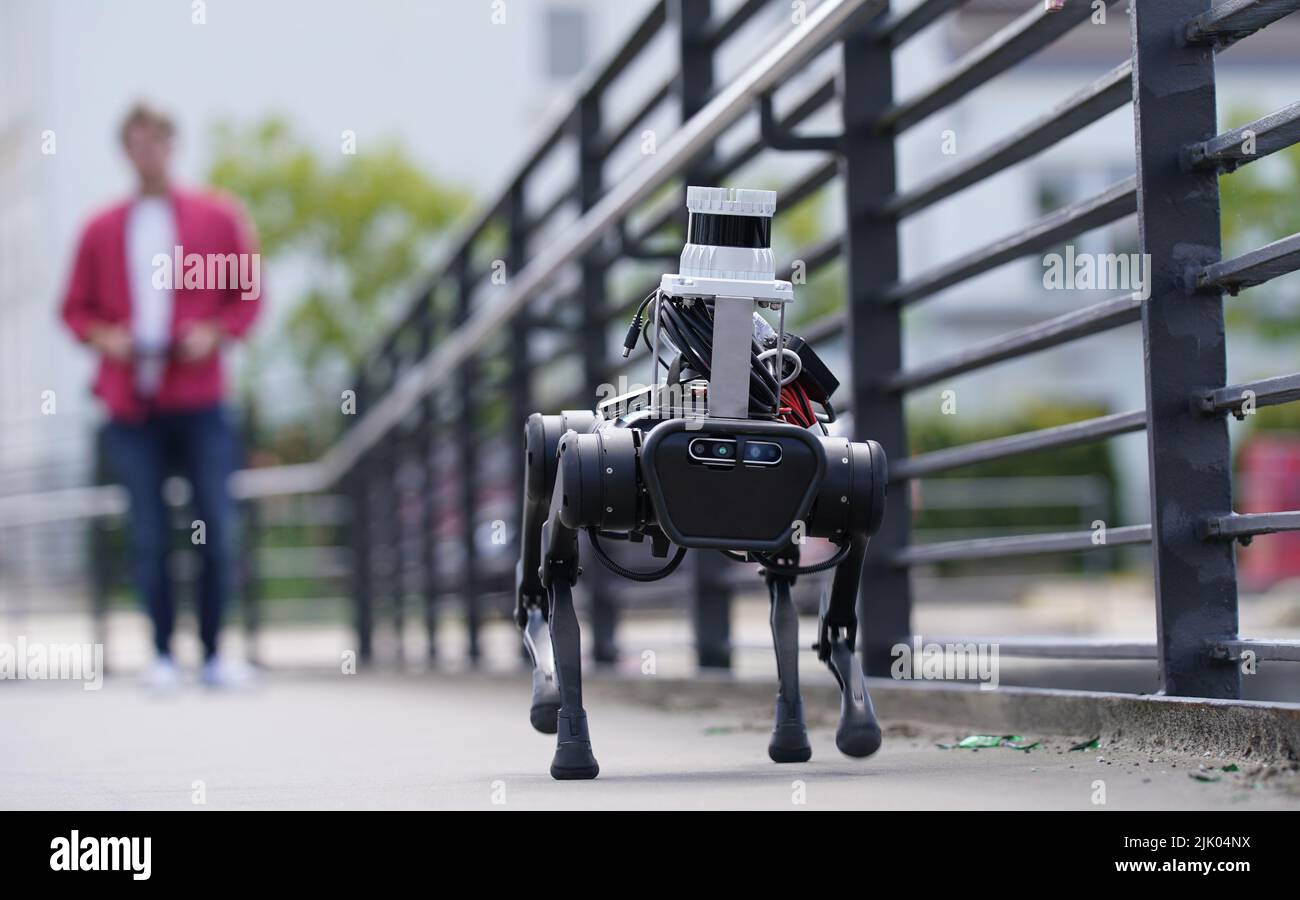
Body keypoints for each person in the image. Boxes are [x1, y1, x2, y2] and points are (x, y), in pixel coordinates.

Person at [60, 102, 262, 688]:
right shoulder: (100, 228)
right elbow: (74, 309)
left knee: (216, 527)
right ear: (126, 151)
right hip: (130, 404)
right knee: (146, 531)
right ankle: (162, 656)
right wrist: (104, 337)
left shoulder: (216, 216)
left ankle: (215, 654)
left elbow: (247, 293)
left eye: (156, 142)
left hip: (200, 400)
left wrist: (216, 332)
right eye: (136, 143)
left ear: (173, 145)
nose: (147, 152)